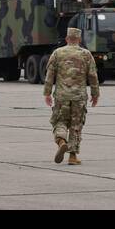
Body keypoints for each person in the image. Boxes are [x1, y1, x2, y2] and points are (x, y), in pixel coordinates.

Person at [44, 27, 99, 165]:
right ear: (79, 40)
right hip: (79, 97)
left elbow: (50, 75)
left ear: (67, 39)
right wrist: (95, 94)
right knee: (76, 125)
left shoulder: (57, 53)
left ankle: (61, 140)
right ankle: (73, 157)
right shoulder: (86, 54)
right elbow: (93, 76)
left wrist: (47, 93)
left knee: (60, 121)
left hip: (62, 96)